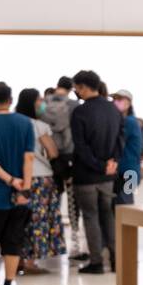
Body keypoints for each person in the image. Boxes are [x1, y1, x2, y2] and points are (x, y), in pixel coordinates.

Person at [0, 81, 34, 285]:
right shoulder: (25, 123)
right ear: (11, 101)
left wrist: (9, 179)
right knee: (13, 241)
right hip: (19, 196)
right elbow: (28, 158)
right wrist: (25, 189)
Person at [70, 69, 123, 274]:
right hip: (108, 175)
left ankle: (96, 262)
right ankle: (116, 259)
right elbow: (121, 138)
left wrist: (99, 165)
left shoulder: (80, 112)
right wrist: (113, 163)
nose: (76, 91)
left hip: (86, 176)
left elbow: (81, 147)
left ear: (83, 87)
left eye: (77, 87)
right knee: (108, 215)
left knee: (90, 217)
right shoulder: (113, 109)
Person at [15, 88, 61, 273]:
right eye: (39, 100)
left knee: (18, 221)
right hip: (40, 177)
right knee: (38, 221)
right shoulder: (39, 126)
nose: (42, 103)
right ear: (32, 103)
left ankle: (17, 259)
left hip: (17, 179)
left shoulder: (14, 123)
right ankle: (31, 262)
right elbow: (53, 152)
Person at [41, 76, 83, 259]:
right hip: (71, 157)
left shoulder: (43, 104)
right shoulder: (75, 105)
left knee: (53, 201)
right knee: (74, 203)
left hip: (49, 158)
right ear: (71, 88)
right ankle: (75, 241)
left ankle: (53, 241)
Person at [112, 89, 143, 208]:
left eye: (119, 99)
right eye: (114, 99)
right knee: (123, 205)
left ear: (129, 103)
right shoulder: (128, 121)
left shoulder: (129, 121)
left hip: (129, 172)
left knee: (125, 207)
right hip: (129, 172)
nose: (116, 102)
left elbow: (116, 142)